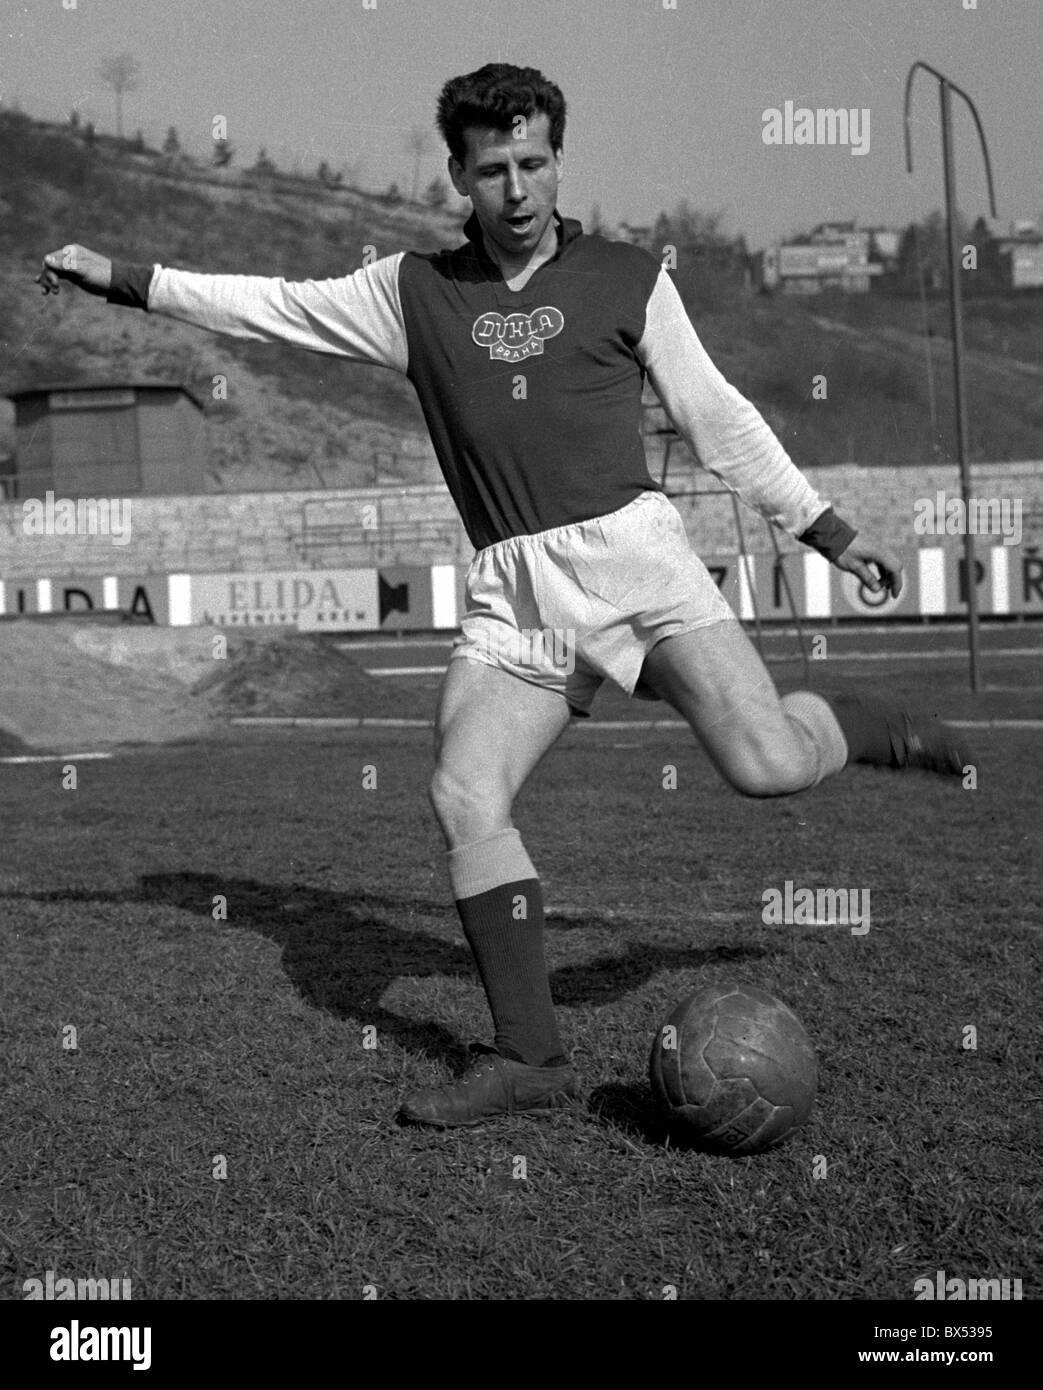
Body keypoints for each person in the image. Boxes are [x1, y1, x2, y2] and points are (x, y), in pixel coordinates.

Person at [37, 62, 973, 1130]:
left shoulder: (627, 274)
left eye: (533, 163)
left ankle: (867, 723)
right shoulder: (409, 292)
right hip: (517, 589)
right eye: (493, 170)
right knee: (462, 791)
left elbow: (716, 416)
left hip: (636, 564)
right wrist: (120, 275)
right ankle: (526, 1053)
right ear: (457, 176)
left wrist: (824, 528)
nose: (517, 189)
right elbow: (267, 308)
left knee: (766, 766)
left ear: (557, 160)